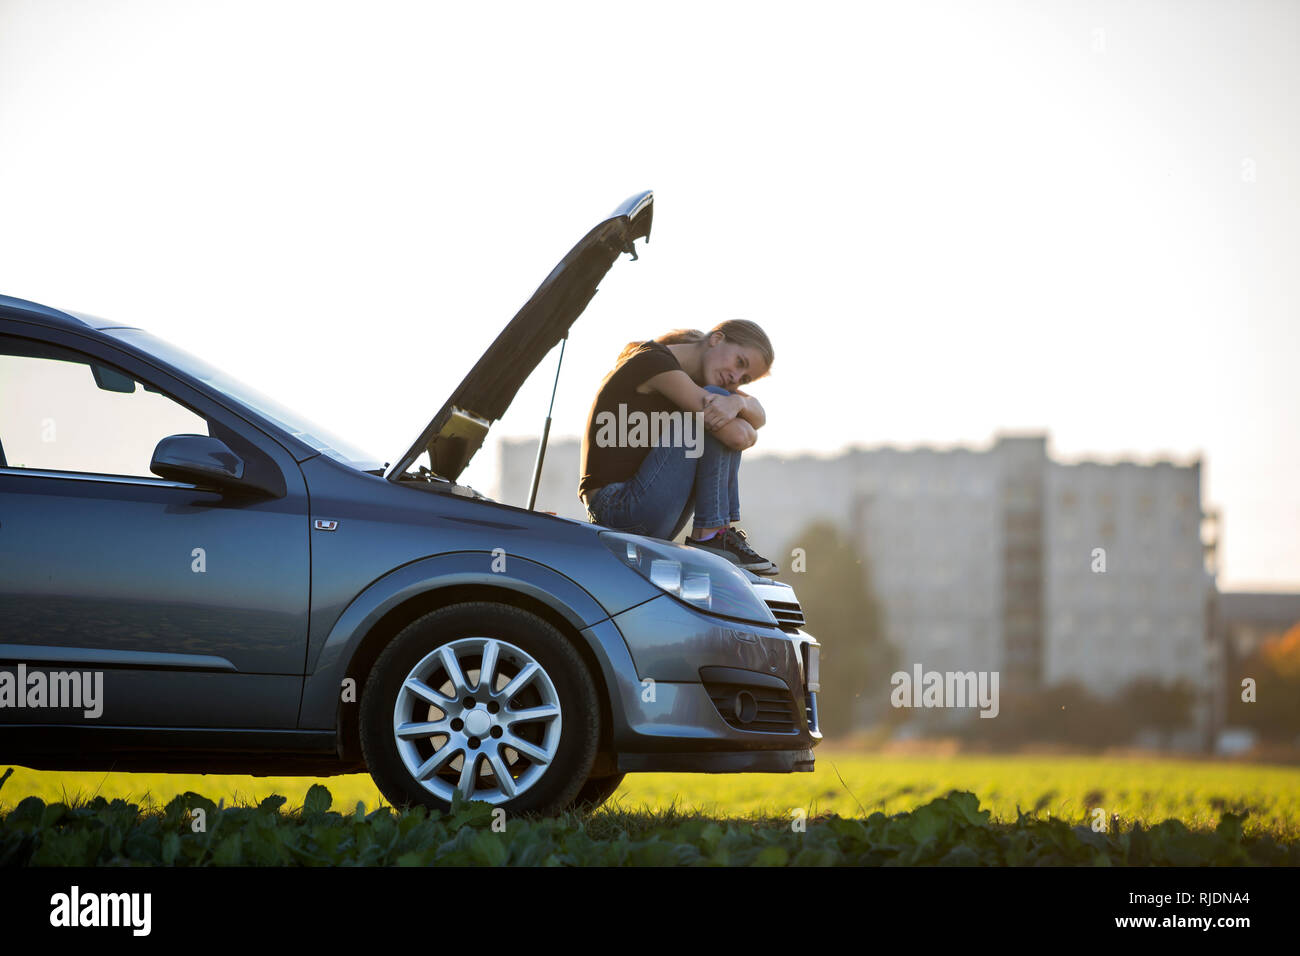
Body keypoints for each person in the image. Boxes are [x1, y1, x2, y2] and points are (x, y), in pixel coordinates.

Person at [578, 319, 779, 575]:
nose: (736, 378)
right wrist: (732, 404)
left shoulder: (689, 382)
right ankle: (710, 534)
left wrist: (738, 404)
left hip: (643, 513)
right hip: (616, 510)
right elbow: (738, 436)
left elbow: (759, 416)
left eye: (745, 379)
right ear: (717, 339)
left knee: (717, 406)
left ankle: (713, 534)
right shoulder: (653, 363)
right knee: (712, 413)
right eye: (740, 363)